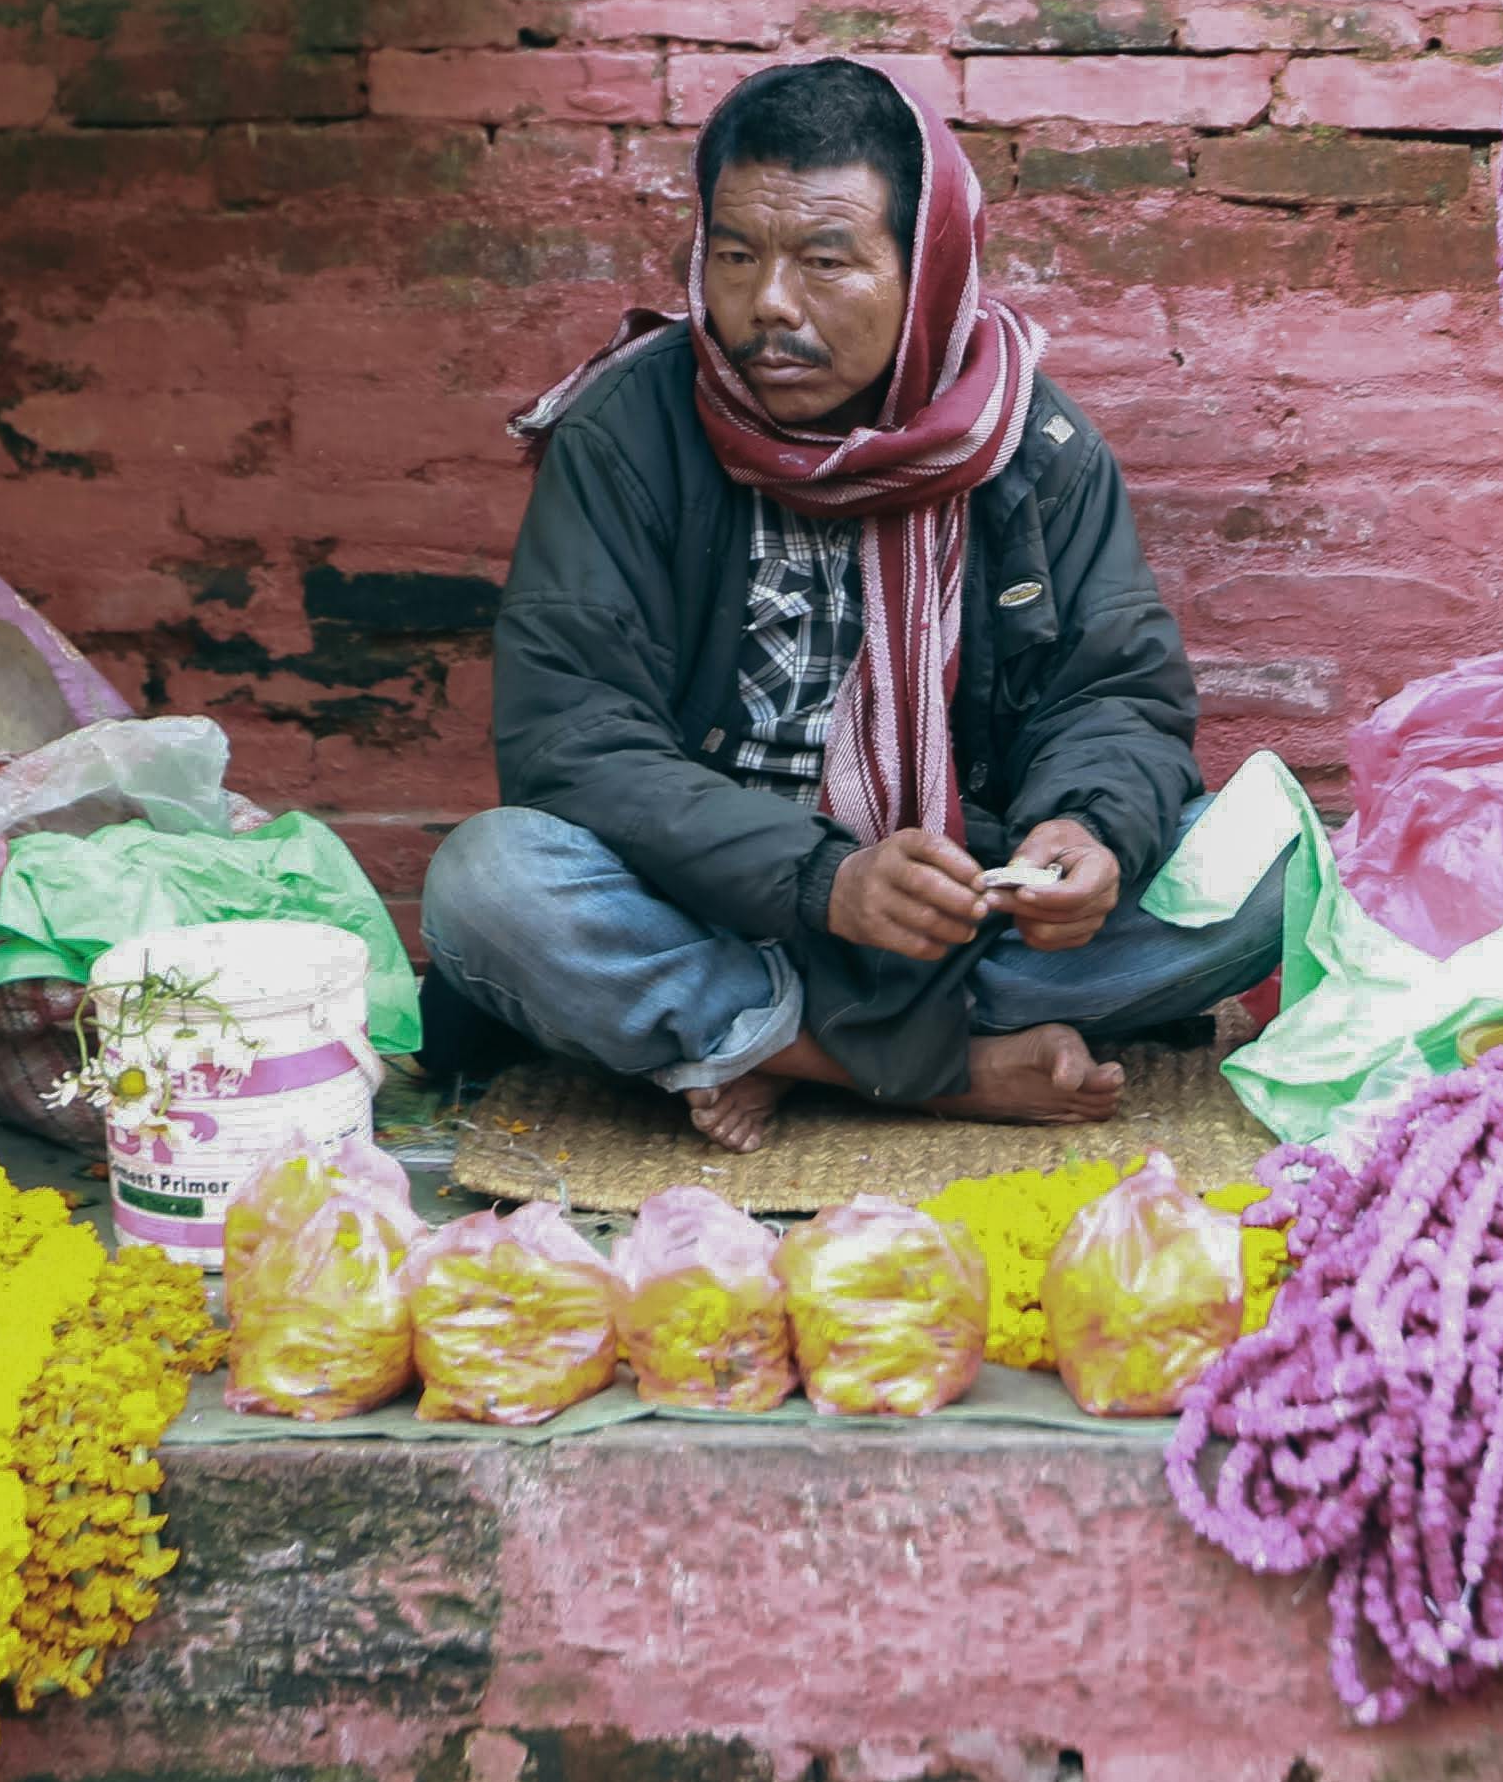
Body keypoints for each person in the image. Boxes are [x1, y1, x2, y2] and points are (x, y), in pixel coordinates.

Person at [426, 58, 1281, 1148]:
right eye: (734, 255)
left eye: (824, 261)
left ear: (923, 267)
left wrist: (1086, 828)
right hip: (709, 907)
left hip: (956, 924)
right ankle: (925, 1073)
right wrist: (820, 879)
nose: (767, 304)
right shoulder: (627, 432)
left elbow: (1113, 692)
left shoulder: (1032, 445)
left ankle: (758, 1045)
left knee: (1276, 866)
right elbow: (573, 739)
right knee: (489, 885)